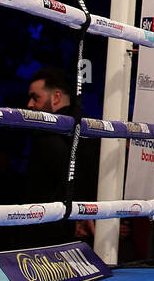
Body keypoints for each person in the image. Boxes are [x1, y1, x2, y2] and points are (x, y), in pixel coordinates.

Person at [23, 67, 99, 249]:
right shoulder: (87, 127)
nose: (29, 105)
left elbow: (68, 173)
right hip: (79, 223)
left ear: (56, 97)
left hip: (50, 230)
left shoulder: (47, 134)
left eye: (36, 97)